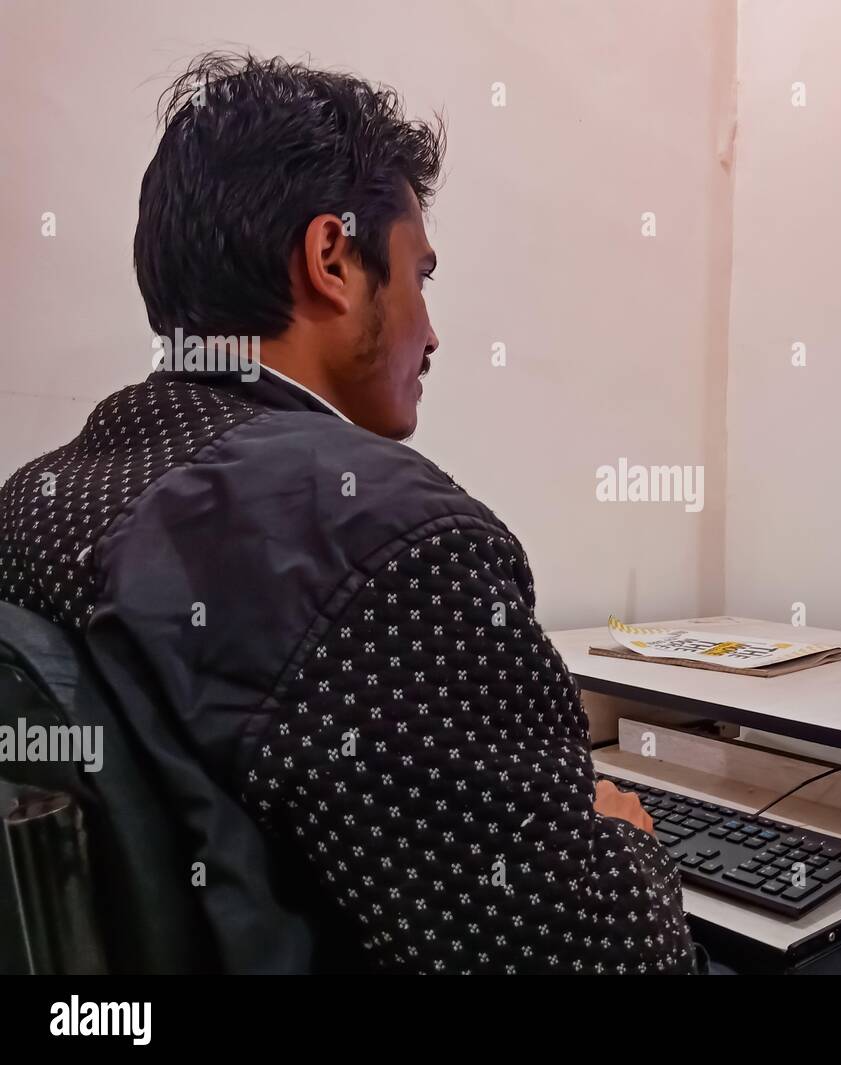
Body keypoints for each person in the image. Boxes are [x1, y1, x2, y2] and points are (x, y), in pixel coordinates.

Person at [0, 52, 693, 975]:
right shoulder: (393, 544)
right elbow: (610, 964)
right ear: (333, 259)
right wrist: (623, 835)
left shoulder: (35, 502)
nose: (432, 329)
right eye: (420, 273)